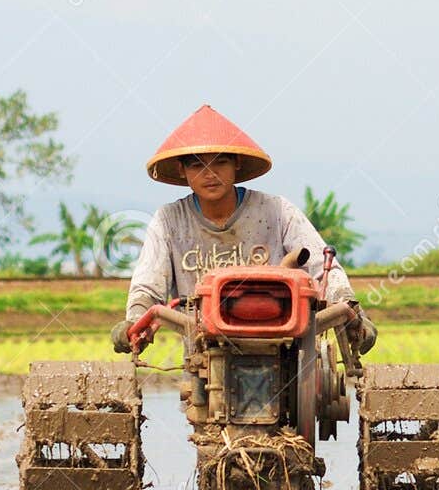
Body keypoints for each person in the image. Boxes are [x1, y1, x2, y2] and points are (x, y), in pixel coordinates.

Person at [111, 104, 376, 352]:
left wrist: (351, 309)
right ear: (181, 170)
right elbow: (148, 287)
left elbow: (322, 269)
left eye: (220, 162)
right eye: (196, 164)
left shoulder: (276, 211)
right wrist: (135, 320)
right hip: (205, 351)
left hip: (282, 345)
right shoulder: (169, 221)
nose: (210, 173)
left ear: (237, 163)